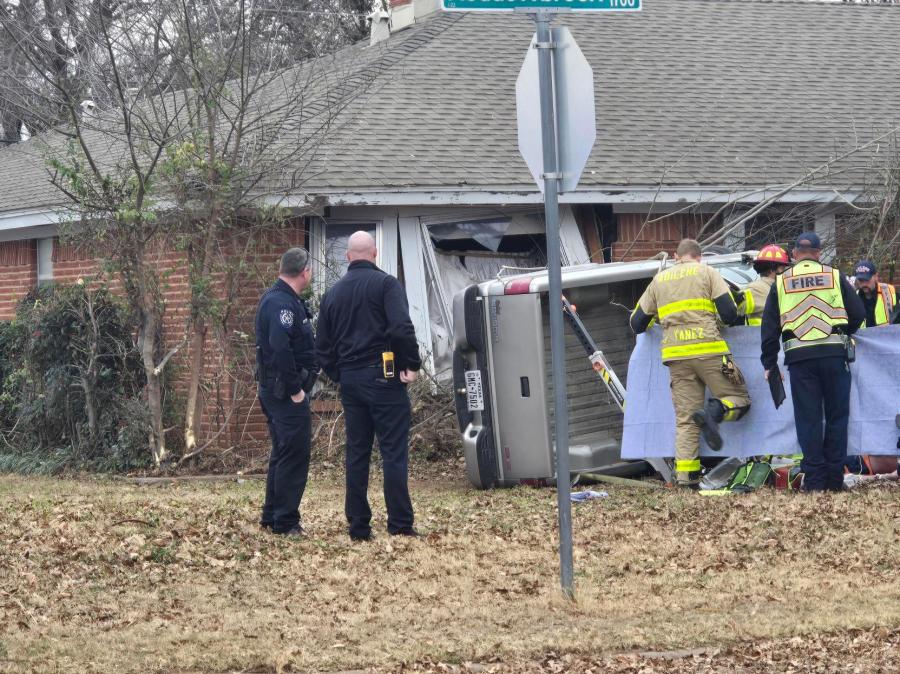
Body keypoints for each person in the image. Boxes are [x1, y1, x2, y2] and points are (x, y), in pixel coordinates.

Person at [315, 231, 421, 541]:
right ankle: (400, 524)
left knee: (357, 453)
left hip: (351, 381)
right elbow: (401, 327)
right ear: (374, 254)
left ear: (348, 256)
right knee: (393, 453)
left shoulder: (332, 295)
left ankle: (359, 526)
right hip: (385, 378)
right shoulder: (386, 285)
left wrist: (341, 374)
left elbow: (322, 347)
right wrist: (411, 365)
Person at [630, 238, 751, 487]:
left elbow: (637, 323)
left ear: (676, 256)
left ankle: (687, 479)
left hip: (676, 358)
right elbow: (729, 313)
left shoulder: (659, 280)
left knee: (685, 419)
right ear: (699, 256)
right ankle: (714, 413)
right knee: (739, 400)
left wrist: (662, 320)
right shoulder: (707, 272)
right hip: (709, 350)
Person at [760, 231, 865, 492]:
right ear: (819, 254)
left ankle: (815, 482)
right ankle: (834, 479)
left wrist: (769, 363)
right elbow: (859, 313)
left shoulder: (782, 281)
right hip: (833, 356)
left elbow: (769, 328)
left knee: (808, 420)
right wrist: (841, 331)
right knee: (837, 418)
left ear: (795, 254)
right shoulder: (834, 275)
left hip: (800, 361)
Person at [255, 247, 318, 537]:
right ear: (304, 271)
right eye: (311, 270)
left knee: (282, 452)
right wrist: (295, 390)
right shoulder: (280, 304)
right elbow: (280, 349)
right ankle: (286, 521)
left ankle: (272, 515)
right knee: (294, 454)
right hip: (284, 394)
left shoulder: (282, 299)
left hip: (278, 391)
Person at [738, 245, 790, 325]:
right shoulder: (755, 290)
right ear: (772, 270)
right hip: (758, 336)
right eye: (782, 268)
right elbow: (732, 310)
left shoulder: (783, 287)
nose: (785, 272)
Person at [853, 259, 896, 328]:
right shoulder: (854, 297)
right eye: (861, 280)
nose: (864, 284)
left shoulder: (889, 291)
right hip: (862, 338)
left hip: (887, 337)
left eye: (867, 279)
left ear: (876, 276)